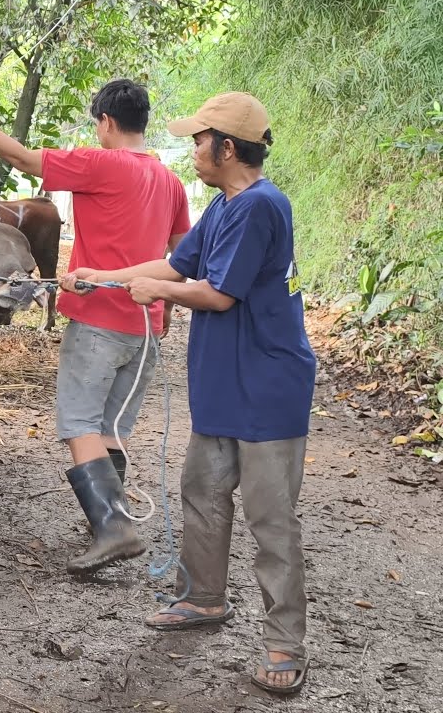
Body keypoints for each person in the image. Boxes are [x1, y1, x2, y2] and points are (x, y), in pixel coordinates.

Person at [61, 92, 315, 695]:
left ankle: (285, 640)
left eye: (199, 140)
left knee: (271, 517)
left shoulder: (259, 207)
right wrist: (103, 278)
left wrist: (158, 292)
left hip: (268, 387)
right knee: (201, 489)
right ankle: (204, 598)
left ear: (228, 148)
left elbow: (216, 294)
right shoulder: (225, 206)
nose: (192, 150)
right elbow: (175, 265)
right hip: (224, 384)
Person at [0, 79, 190, 574]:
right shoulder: (171, 182)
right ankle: (107, 515)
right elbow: (182, 251)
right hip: (147, 326)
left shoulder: (101, 163)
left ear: (106, 122)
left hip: (98, 321)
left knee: (78, 424)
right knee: (110, 428)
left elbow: (24, 160)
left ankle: (114, 529)